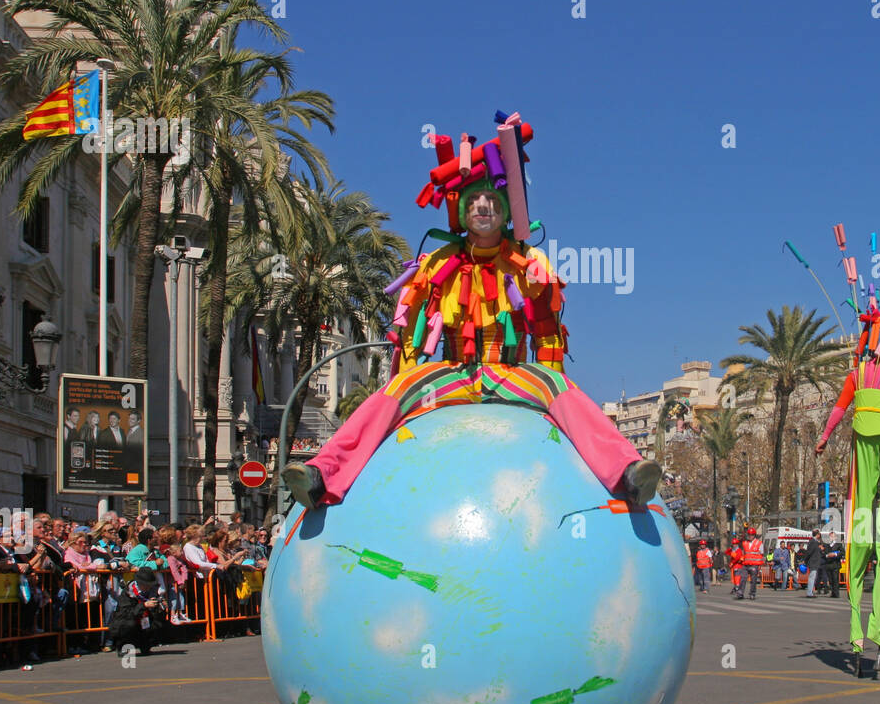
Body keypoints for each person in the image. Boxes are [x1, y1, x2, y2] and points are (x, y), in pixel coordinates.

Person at [280, 114, 661, 512]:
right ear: (461, 211)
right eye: (473, 201)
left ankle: (628, 472)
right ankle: (321, 473)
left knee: (566, 394)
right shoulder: (435, 263)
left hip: (512, 374)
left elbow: (547, 329)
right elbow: (410, 333)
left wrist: (547, 348)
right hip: (451, 374)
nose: (483, 207)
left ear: (507, 210)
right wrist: (408, 382)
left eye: (492, 201)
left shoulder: (529, 259)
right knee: (387, 396)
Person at [816, 303, 880, 660]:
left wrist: (825, 438)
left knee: (861, 511)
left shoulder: (856, 374)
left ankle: (857, 633)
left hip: (863, 442)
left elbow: (839, 409)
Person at [739, 527, 763, 600]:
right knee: (743, 578)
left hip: (754, 565)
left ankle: (752, 593)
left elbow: (761, 554)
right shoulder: (745, 543)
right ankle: (740, 593)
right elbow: (743, 553)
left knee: (753, 580)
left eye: (752, 535)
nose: (750, 536)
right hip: (745, 564)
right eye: (749, 534)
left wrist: (759, 565)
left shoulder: (759, 543)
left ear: (754, 535)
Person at [804, 532, 824, 597]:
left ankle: (810, 592)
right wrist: (806, 560)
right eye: (819, 535)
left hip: (814, 562)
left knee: (813, 577)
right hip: (813, 562)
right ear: (817, 535)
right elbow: (809, 552)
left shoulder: (815, 542)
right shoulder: (813, 542)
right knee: (812, 577)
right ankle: (809, 593)